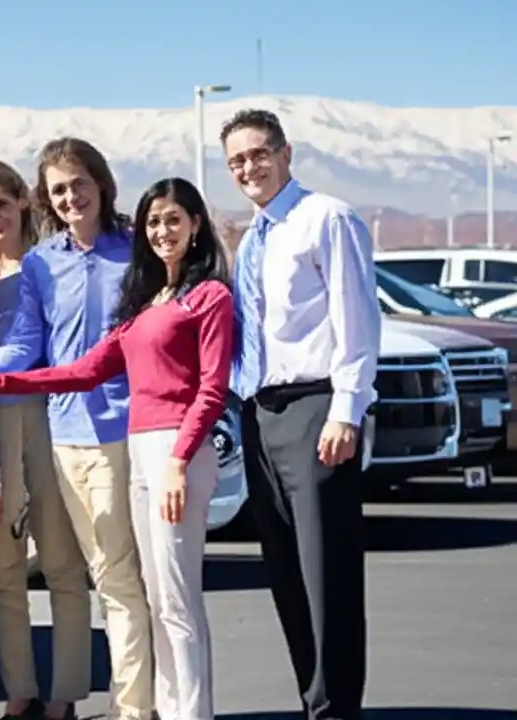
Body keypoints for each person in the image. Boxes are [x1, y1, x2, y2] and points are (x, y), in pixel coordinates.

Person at [0, 178, 235, 720]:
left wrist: (177, 462)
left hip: (176, 452)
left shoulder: (209, 295)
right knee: (154, 592)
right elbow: (81, 372)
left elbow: (212, 389)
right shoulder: (146, 302)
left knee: (177, 598)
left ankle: (193, 713)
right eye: (153, 222)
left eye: (173, 219)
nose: (162, 231)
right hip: (140, 449)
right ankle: (169, 709)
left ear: (196, 225)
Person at [0, 137, 154, 720]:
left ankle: (135, 707)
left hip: (125, 429)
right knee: (100, 571)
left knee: (117, 574)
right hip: (63, 432)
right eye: (59, 189)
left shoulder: (137, 251)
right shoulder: (42, 263)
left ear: (101, 184)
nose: (71, 196)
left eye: (79, 183)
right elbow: (28, 342)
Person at [220, 108, 378, 720]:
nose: (249, 168)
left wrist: (346, 409)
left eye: (259, 154)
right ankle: (311, 699)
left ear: (286, 153)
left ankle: (337, 707)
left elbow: (357, 320)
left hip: (317, 410)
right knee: (284, 570)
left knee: (327, 571)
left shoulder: (326, 219)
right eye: (237, 160)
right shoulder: (254, 235)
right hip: (261, 414)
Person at [0, 160, 91, 720]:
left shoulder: (49, 265)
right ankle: (20, 691)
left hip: (49, 414)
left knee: (61, 560)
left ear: (22, 204)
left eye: (1, 204)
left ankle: (64, 696)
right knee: (4, 566)